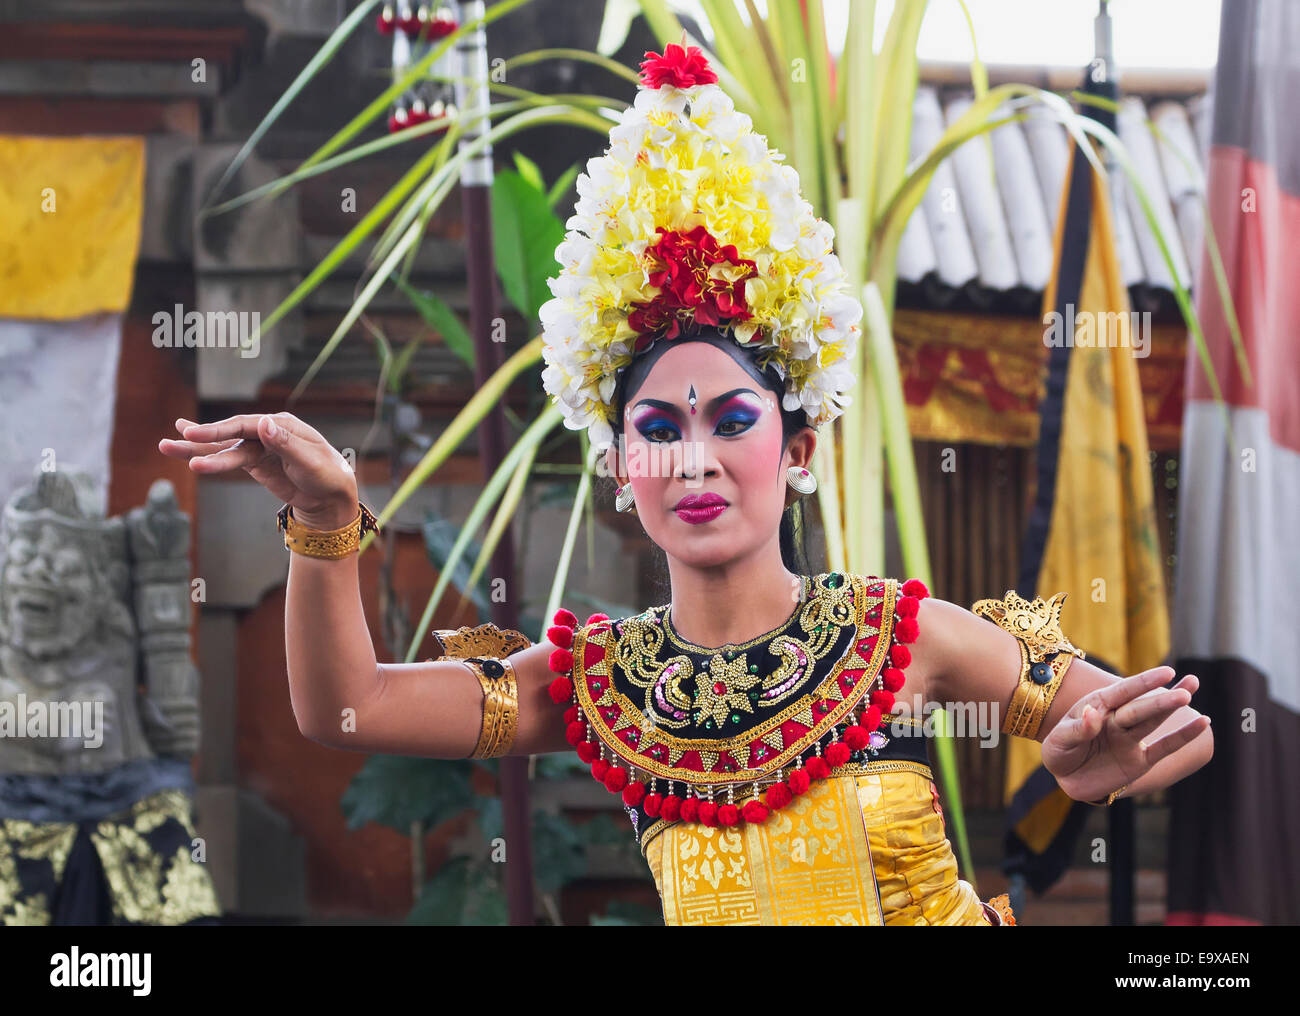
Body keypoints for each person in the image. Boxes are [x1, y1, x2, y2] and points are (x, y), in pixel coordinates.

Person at [158, 43, 1212, 926]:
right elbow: (348, 708)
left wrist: (1099, 765)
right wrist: (325, 515)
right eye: (656, 428)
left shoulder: (903, 635)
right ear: (620, 467)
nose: (694, 457)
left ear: (796, 451)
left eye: (732, 421)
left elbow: (1175, 732)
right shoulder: (592, 685)